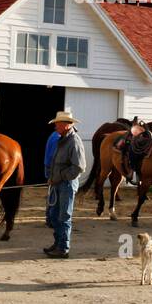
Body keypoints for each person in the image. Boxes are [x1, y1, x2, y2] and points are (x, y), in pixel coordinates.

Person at [44, 111, 86, 259]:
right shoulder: (62, 140)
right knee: (55, 216)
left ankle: (63, 248)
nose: (55, 126)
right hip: (57, 184)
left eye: (58, 124)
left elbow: (79, 167)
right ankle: (58, 243)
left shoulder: (74, 141)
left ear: (67, 125)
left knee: (64, 217)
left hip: (67, 185)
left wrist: (60, 177)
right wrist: (52, 177)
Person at [43, 125, 62, 230]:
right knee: (54, 194)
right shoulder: (57, 138)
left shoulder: (53, 135)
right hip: (53, 168)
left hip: (49, 167)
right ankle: (51, 218)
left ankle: (49, 217)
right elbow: (53, 156)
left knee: (52, 193)